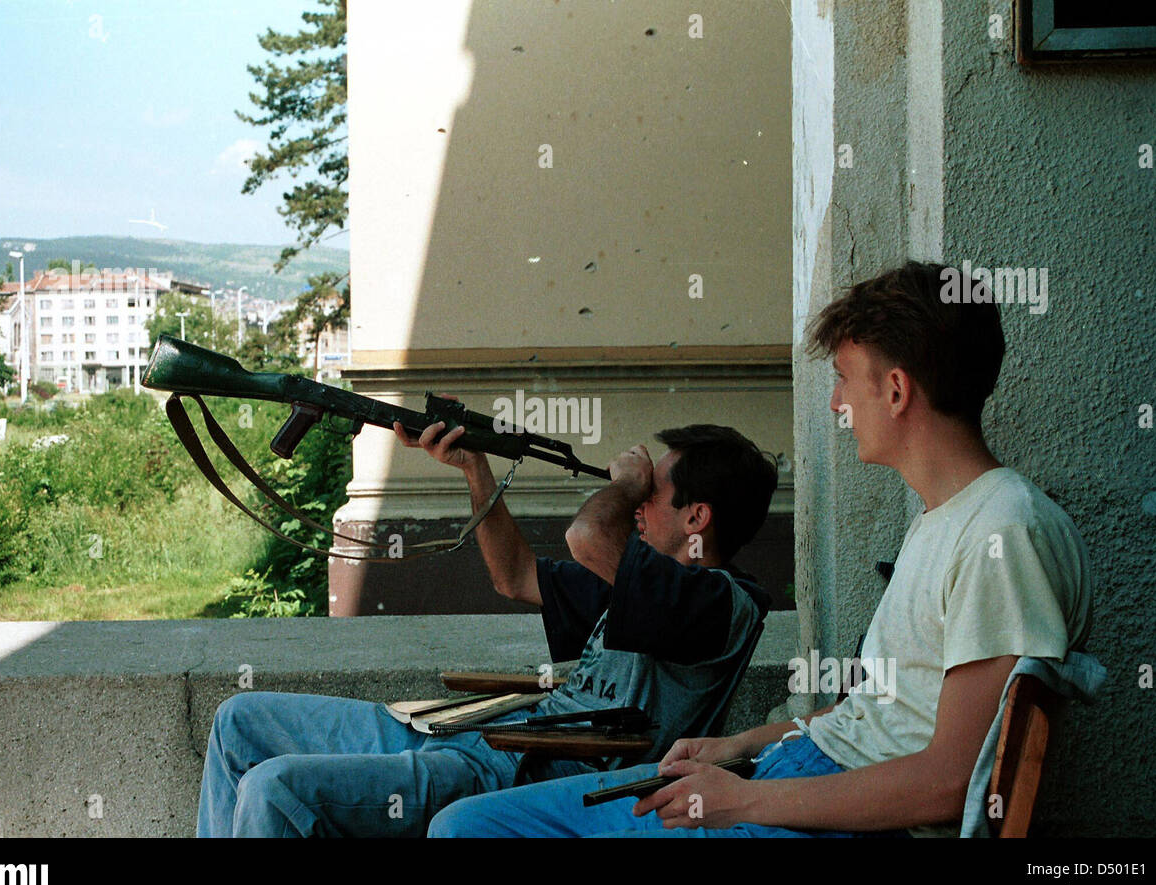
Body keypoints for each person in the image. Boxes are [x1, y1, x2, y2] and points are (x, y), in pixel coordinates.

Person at [429, 260, 1093, 838]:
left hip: (814, 812)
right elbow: (877, 714)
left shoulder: (1002, 532)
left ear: (895, 390)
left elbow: (951, 781)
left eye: (843, 377)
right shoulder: (945, 522)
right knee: (467, 822)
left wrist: (749, 796)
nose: (836, 401)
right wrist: (737, 746)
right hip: (788, 781)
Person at [195, 413, 778, 837]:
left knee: (275, 790)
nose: (637, 508)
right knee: (239, 721)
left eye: (652, 495)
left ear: (697, 516)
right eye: (638, 495)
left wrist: (622, 484)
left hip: (515, 769)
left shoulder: (720, 605)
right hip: (473, 728)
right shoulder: (634, 579)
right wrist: (475, 464)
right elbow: (516, 574)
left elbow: (587, 536)